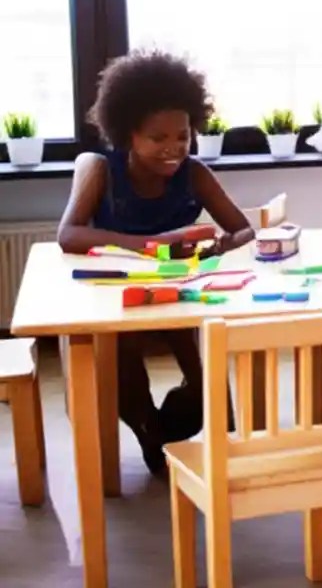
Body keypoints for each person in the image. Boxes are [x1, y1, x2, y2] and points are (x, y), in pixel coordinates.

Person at [56, 49, 254, 477]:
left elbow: (243, 230)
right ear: (129, 135)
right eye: (158, 138)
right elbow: (68, 235)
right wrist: (151, 244)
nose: (174, 148)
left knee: (207, 381)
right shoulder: (98, 169)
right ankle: (149, 434)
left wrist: (213, 248)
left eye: (182, 136)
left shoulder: (195, 173)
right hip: (115, 300)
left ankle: (182, 426)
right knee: (124, 357)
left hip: (179, 297)